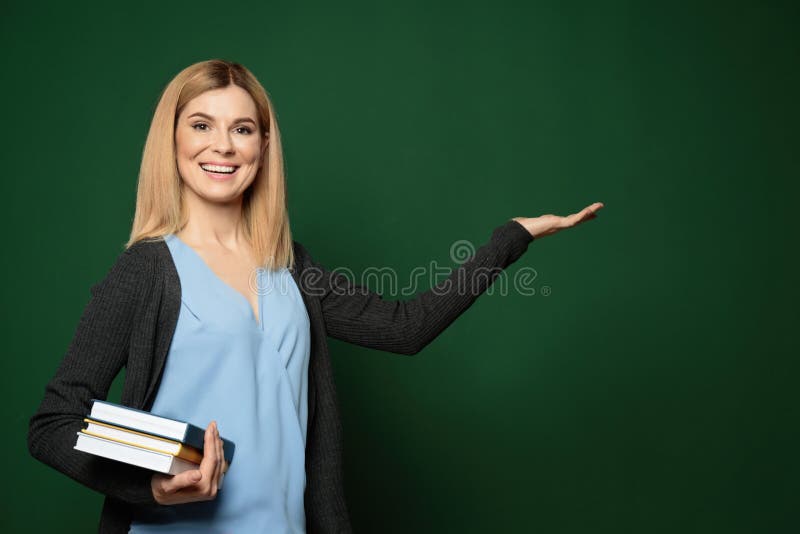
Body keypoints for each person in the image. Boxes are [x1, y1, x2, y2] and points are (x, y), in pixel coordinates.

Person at [27, 59, 604, 534]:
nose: (223, 146)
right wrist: (149, 485)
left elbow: (406, 328)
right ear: (172, 140)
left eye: (242, 128)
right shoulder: (147, 269)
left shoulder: (292, 267)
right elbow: (54, 422)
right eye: (201, 125)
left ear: (263, 145)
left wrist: (512, 238)